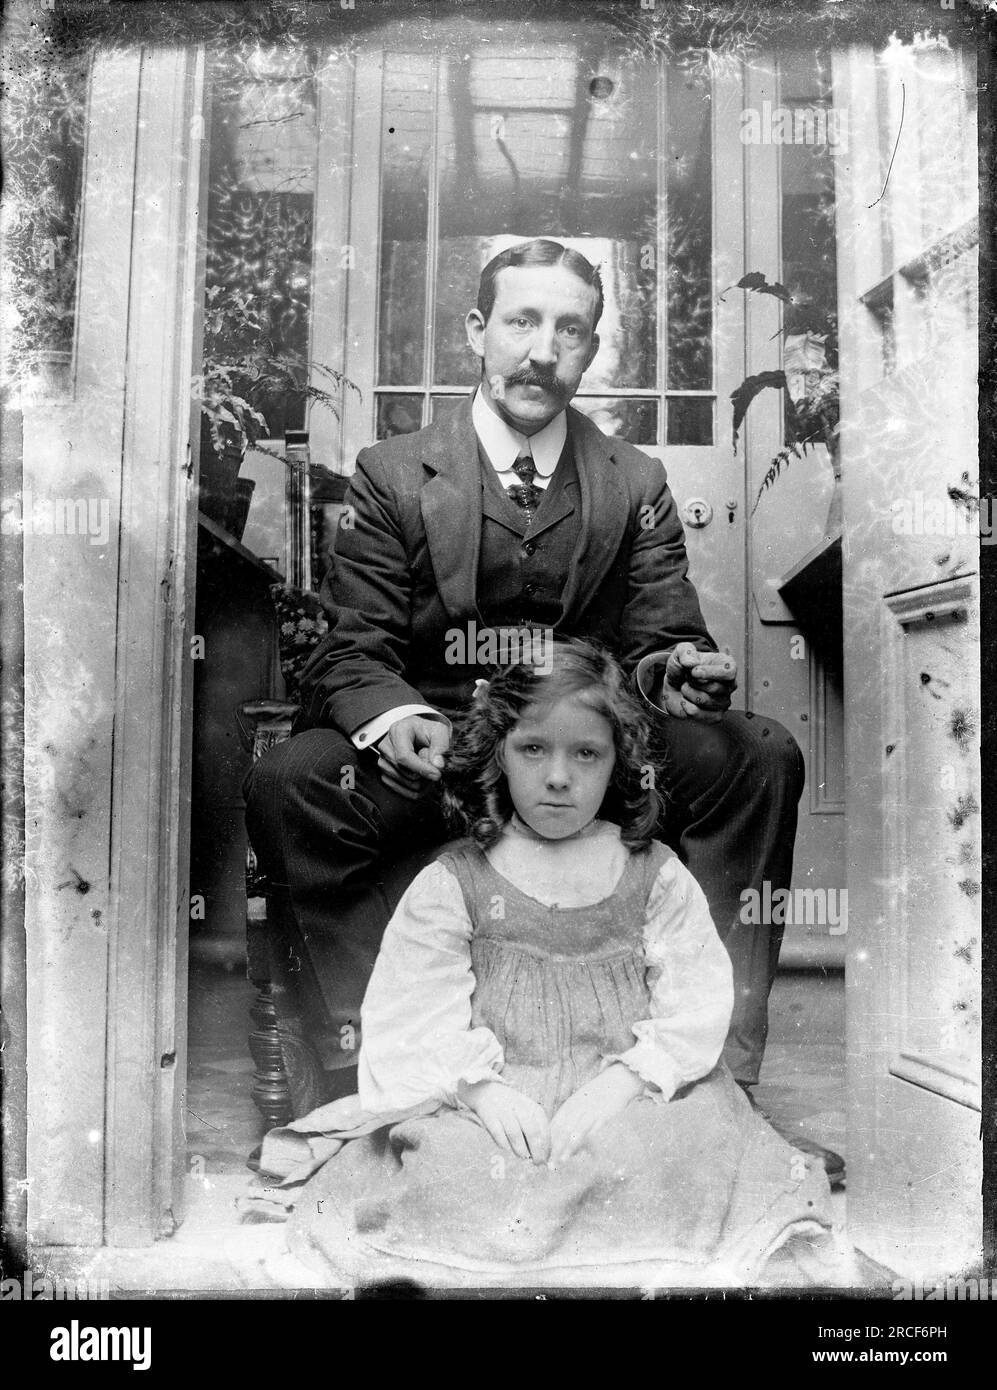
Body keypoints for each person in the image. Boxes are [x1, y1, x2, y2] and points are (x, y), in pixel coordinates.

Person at [245, 237, 841, 1175]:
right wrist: (399, 720)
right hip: (442, 758)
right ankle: (382, 1087)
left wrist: (675, 672)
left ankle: (713, 1087)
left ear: (591, 348)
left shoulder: (632, 481)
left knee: (754, 754)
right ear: (479, 332)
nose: (541, 349)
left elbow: (653, 647)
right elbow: (349, 651)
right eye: (521, 321)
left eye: (569, 329)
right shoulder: (393, 473)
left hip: (582, 755)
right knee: (294, 780)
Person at [260, 641, 835, 1289]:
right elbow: (413, 1009)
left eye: (585, 753)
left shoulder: (653, 875)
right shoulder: (458, 880)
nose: (558, 776)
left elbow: (694, 1003)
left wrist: (617, 1087)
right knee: (448, 1167)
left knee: (680, 1150)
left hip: (620, 1088)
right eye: (533, 749)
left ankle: (616, 1247)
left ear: (620, 763)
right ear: (496, 755)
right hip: (491, 1091)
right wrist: (482, 1092)